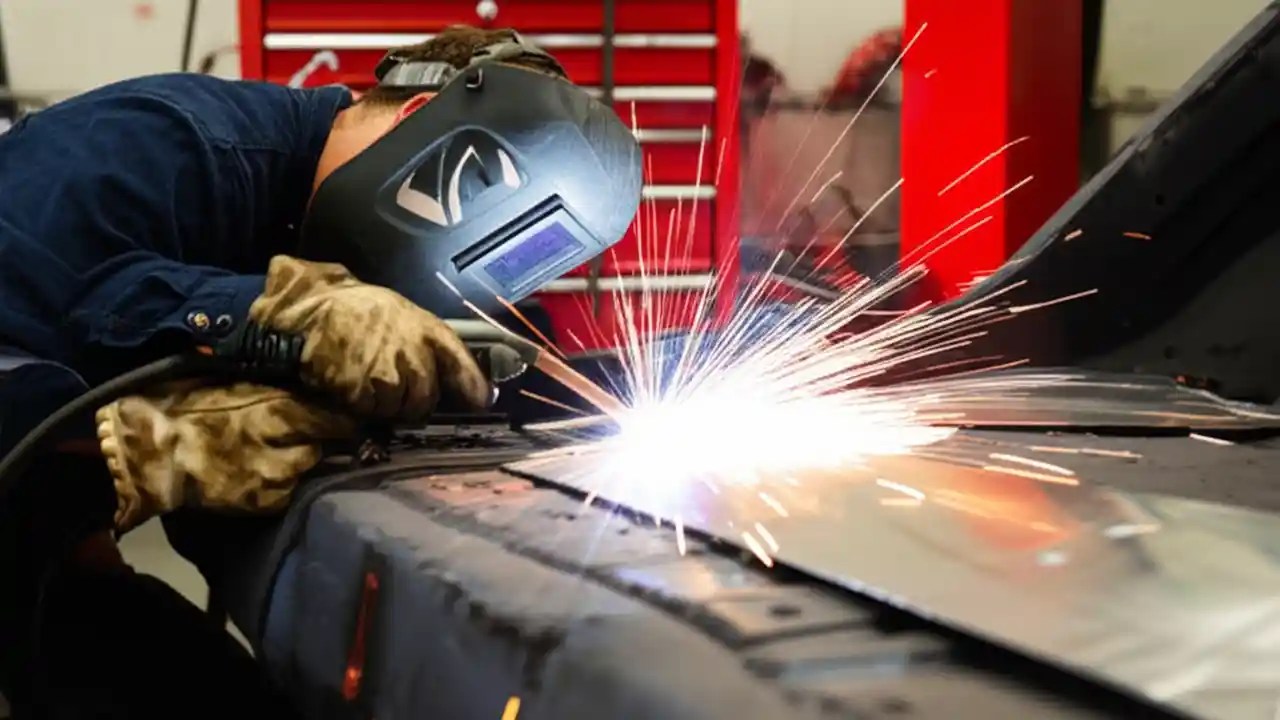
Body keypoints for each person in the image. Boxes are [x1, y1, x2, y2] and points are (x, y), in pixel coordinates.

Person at [0, 26, 602, 719]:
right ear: (421, 134)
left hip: (40, 568)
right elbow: (62, 316)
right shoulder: (171, 142)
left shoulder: (305, 231)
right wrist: (138, 449)